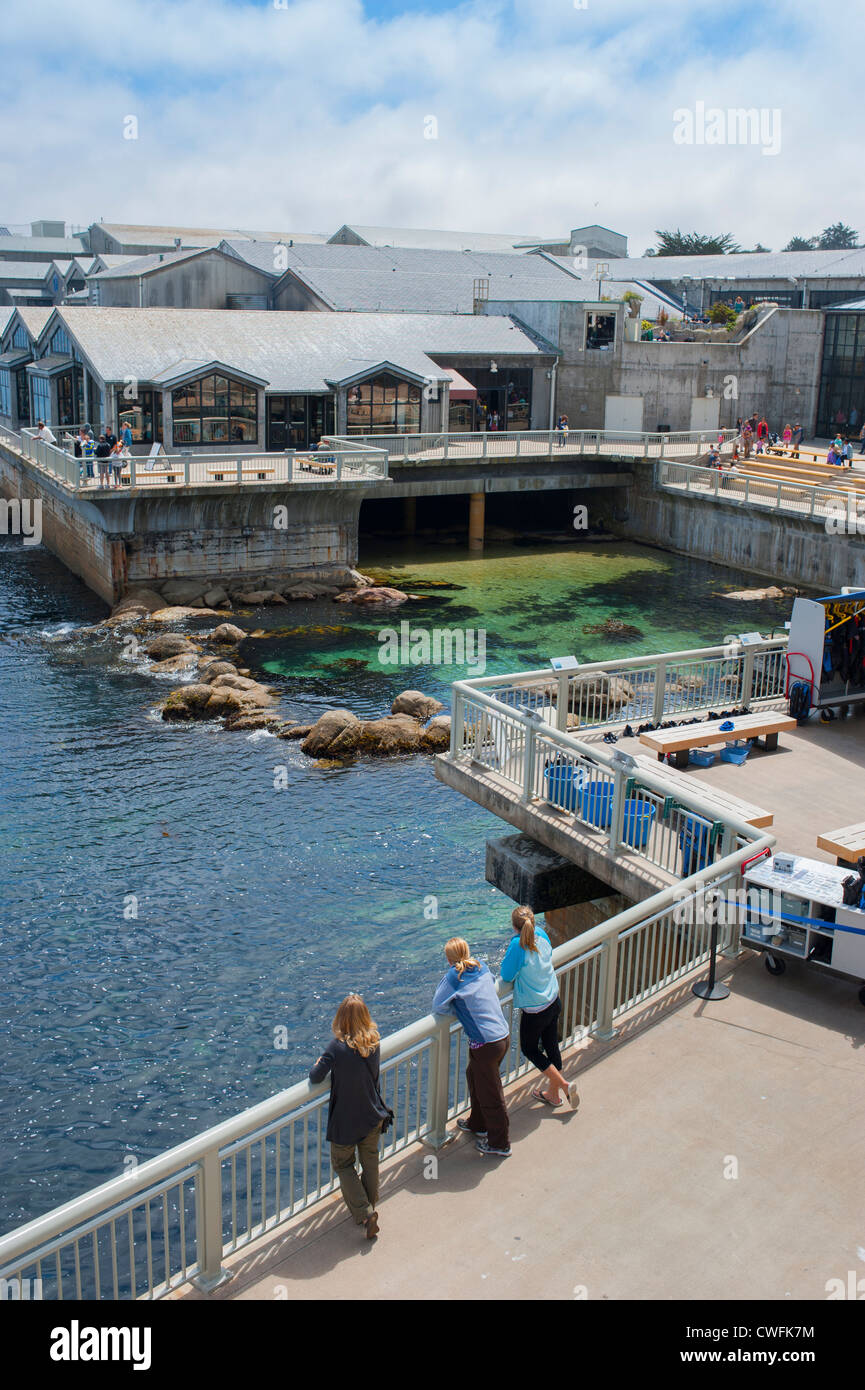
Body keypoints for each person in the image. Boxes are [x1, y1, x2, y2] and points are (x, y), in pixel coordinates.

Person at [308, 994, 389, 1241]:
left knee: (343, 1165)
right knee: (370, 1160)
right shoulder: (374, 1042)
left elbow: (315, 1076)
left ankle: (365, 1213)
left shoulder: (336, 1047)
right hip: (372, 1114)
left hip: (346, 1120)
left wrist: (319, 1061)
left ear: (341, 1019)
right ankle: (369, 1208)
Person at [433, 937, 511, 1157]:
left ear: (449, 958)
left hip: (485, 1043)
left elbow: (438, 1005)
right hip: (501, 1036)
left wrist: (458, 1011)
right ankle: (478, 1124)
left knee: (491, 1094)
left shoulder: (453, 976)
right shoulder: (481, 966)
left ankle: (500, 1143)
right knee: (474, 1077)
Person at [499, 907, 579, 1110]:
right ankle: (553, 1095)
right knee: (552, 1046)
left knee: (530, 1049)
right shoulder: (542, 934)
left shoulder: (517, 945)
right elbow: (547, 954)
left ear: (514, 926)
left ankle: (563, 1085)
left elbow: (507, 975)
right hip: (553, 1000)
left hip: (535, 1010)